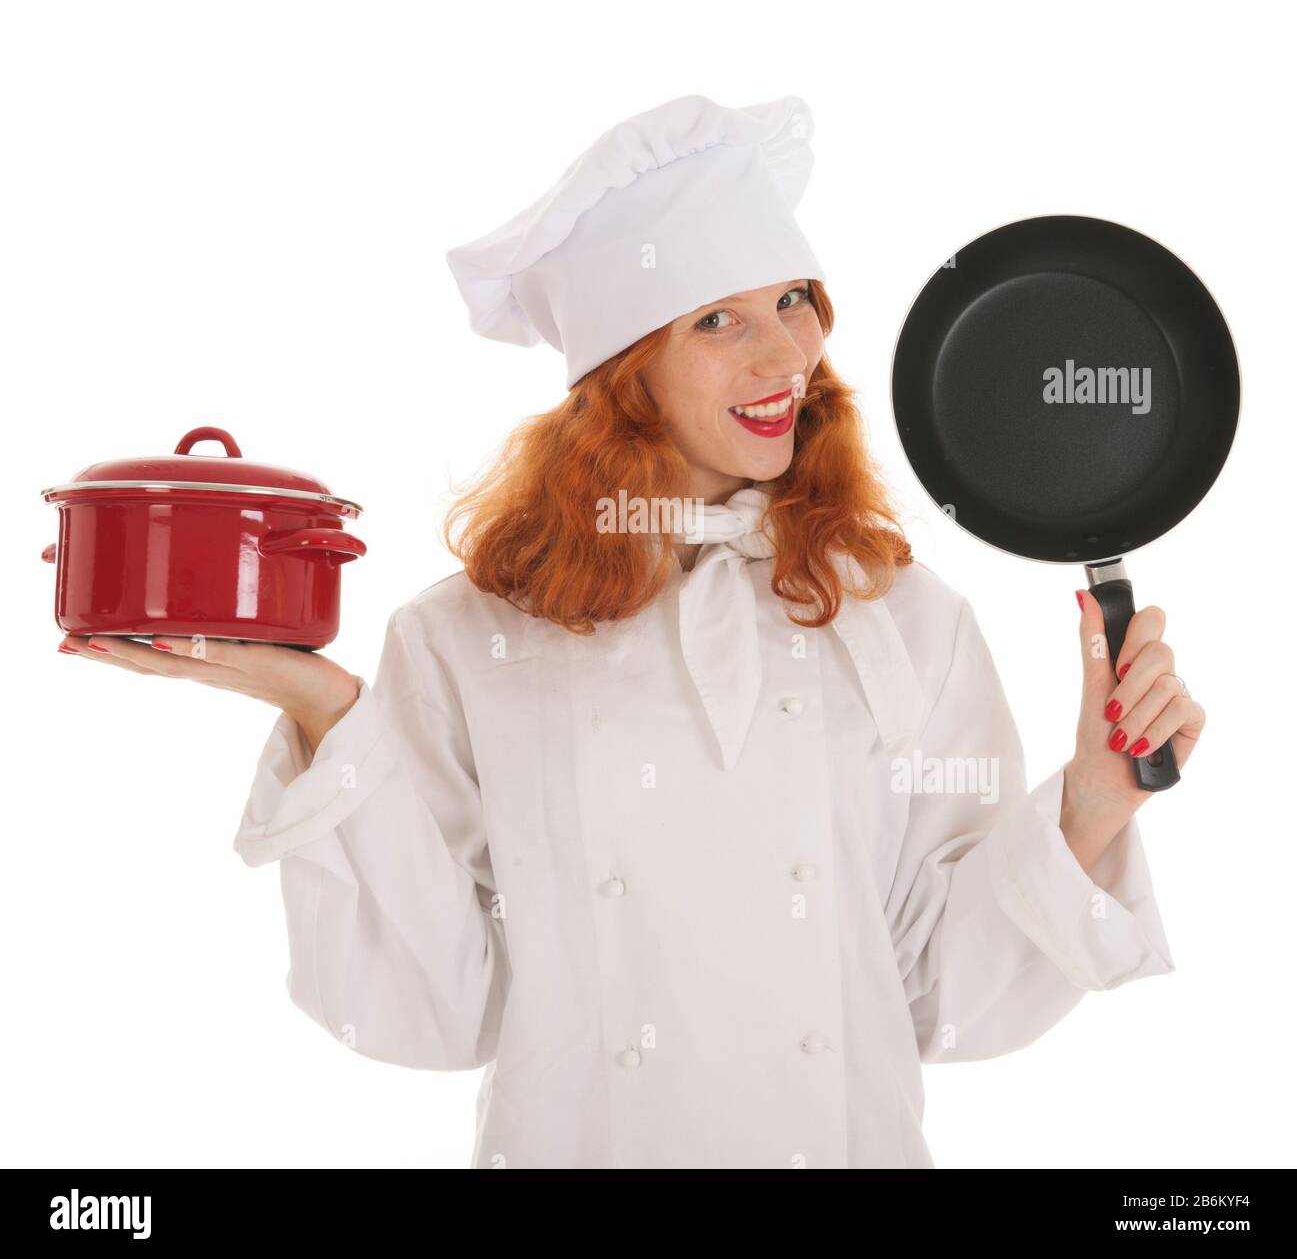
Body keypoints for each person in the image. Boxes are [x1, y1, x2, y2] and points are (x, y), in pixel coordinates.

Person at [59, 95, 1204, 1169]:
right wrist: (323, 712)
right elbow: (438, 1004)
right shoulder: (467, 640)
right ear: (623, 373)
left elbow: (941, 995)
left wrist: (1093, 803)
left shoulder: (905, 618)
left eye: (793, 302)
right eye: (719, 319)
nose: (785, 357)